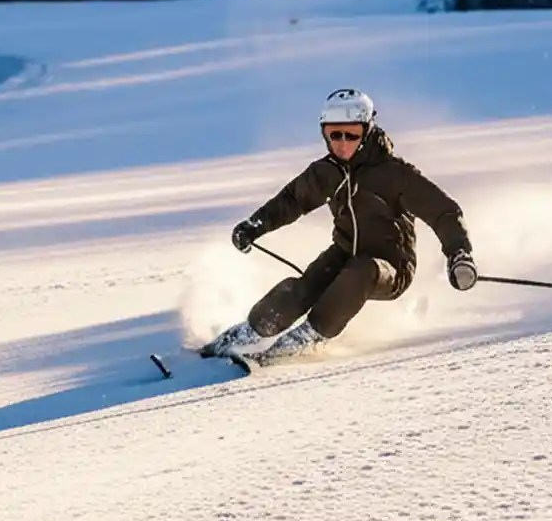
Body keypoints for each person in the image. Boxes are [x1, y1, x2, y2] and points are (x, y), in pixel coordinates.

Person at [200, 88, 478, 365]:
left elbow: (444, 212)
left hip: (390, 267)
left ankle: (307, 340)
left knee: (361, 270)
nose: (343, 143)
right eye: (335, 134)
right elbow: (291, 201)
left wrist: (459, 255)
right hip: (344, 253)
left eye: (352, 135)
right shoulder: (326, 172)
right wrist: (254, 226)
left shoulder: (395, 175)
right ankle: (245, 335)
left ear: (367, 131)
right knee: (301, 288)